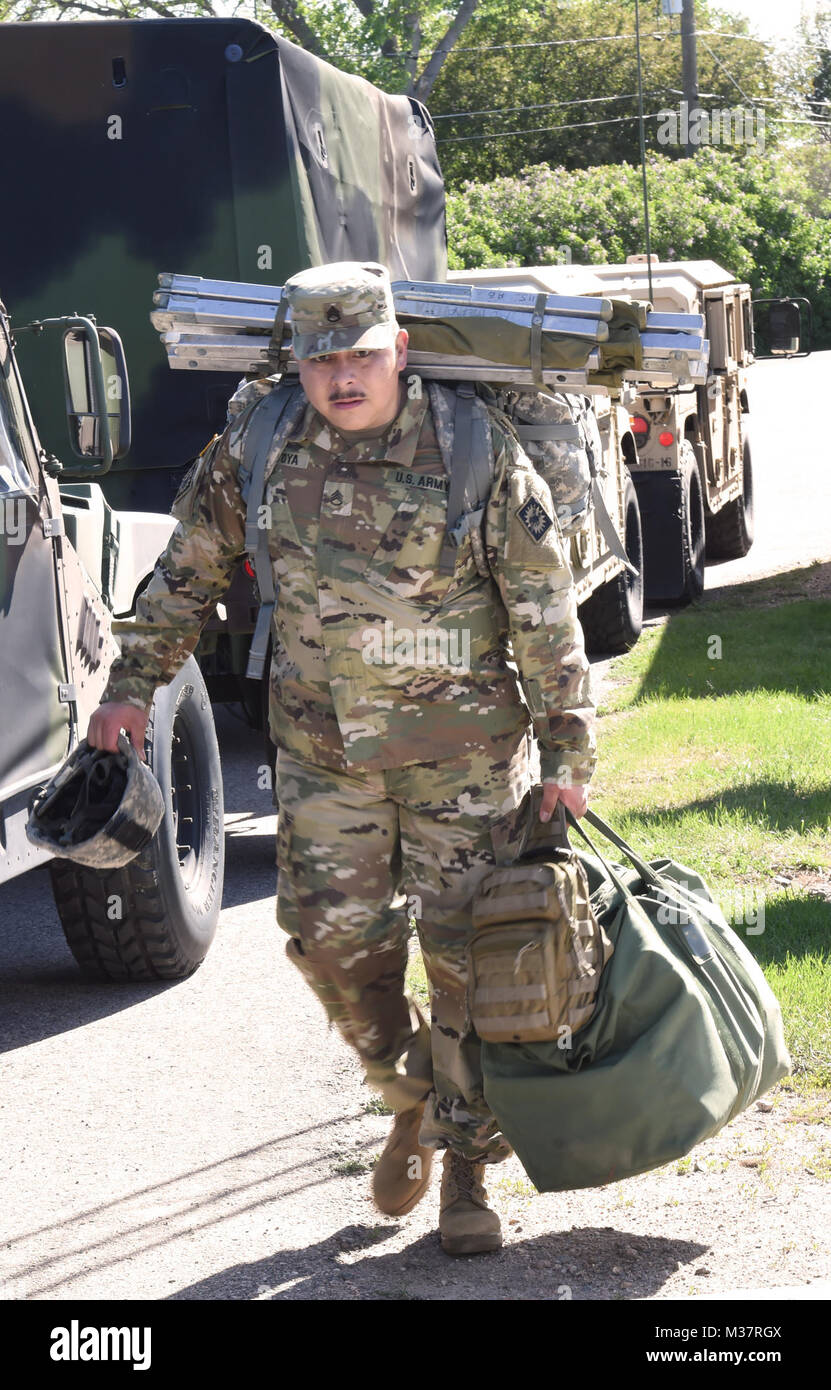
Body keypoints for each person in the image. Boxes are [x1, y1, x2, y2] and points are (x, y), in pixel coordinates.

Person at [88, 261, 596, 1257]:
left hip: (466, 764)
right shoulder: (262, 445)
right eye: (322, 359)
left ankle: (464, 1169)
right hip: (324, 758)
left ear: (398, 349)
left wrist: (568, 748)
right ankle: (408, 1087)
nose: (343, 377)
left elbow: (544, 605)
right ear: (300, 364)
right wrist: (129, 686)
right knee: (333, 952)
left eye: (361, 354)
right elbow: (188, 567)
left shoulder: (472, 447)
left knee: (471, 969)